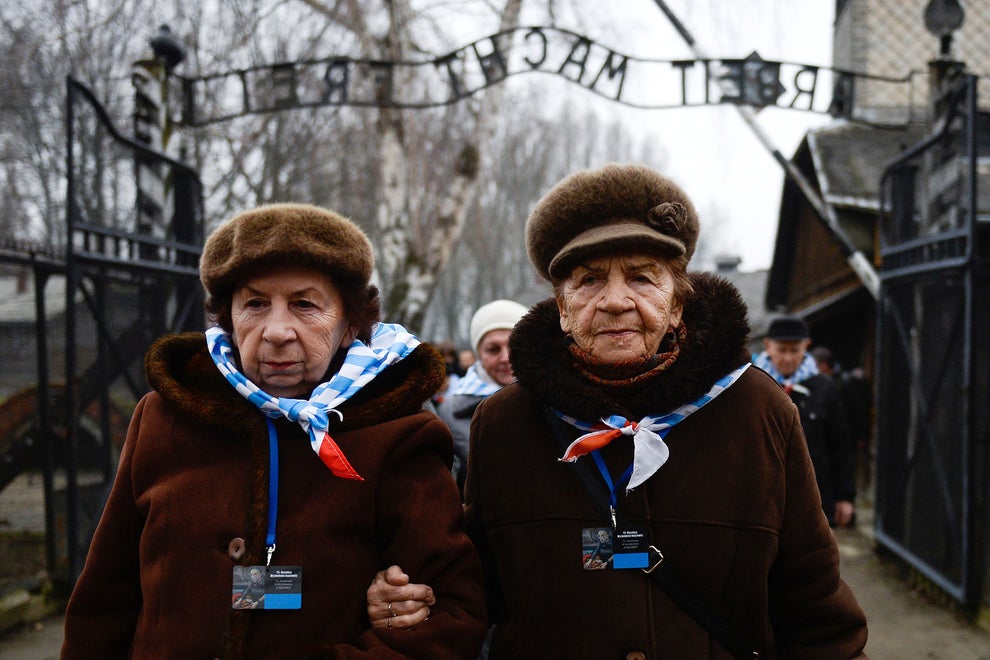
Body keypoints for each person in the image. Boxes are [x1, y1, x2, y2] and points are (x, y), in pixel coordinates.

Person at [368, 164, 867, 658]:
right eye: (589, 280)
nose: (615, 301)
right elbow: (475, 588)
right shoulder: (505, 424)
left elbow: (817, 611)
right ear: (562, 310)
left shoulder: (759, 411)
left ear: (677, 304)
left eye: (642, 277)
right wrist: (415, 599)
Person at [61, 203, 487, 659]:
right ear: (228, 318)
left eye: (305, 305)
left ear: (350, 325)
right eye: (255, 304)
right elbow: (103, 605)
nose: (277, 331)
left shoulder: (397, 435)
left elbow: (451, 615)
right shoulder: (165, 419)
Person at [755, 317, 858, 528]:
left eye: (795, 350)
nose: (788, 358)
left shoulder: (825, 388)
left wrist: (845, 496)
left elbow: (840, 445)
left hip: (813, 498)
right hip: (761, 499)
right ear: (768, 346)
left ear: (806, 346)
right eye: (781, 350)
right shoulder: (753, 385)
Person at [439, 299, 528, 493]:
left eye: (514, 345)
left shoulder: (553, 400)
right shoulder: (451, 412)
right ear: (479, 354)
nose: (506, 357)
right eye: (493, 349)